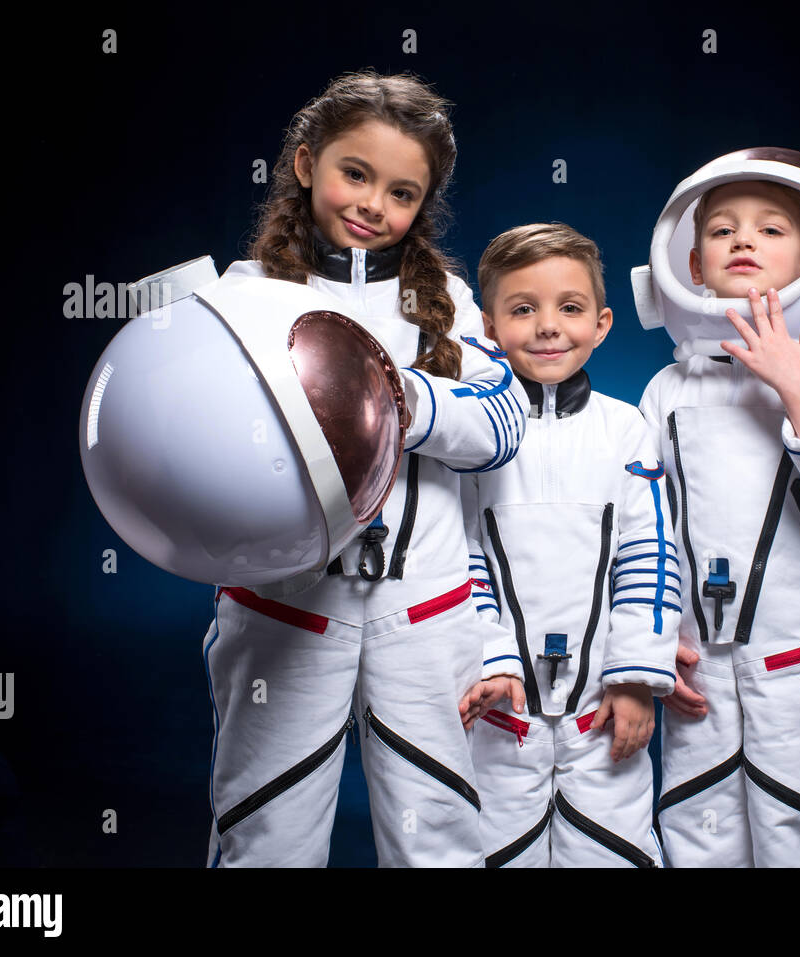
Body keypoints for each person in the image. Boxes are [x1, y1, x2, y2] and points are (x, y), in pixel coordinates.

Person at [201, 71, 529, 867]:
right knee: (263, 833)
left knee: (439, 835)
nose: (373, 203)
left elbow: (501, 423)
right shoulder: (243, 296)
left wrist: (390, 398)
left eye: (402, 191)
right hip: (284, 603)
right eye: (356, 173)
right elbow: (203, 443)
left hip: (424, 609)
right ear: (308, 163)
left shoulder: (446, 301)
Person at [641, 163, 800, 867]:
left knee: (796, 822)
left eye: (770, 228)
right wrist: (650, 638)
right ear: (692, 265)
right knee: (696, 824)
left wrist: (798, 389)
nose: (742, 239)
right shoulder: (668, 388)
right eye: (721, 230)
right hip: (695, 662)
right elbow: (642, 527)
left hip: (794, 661)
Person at [457, 223, 679, 867]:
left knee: (613, 853)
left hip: (603, 711)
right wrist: (492, 656)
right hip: (499, 706)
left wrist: (637, 677)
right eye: (523, 309)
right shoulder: (469, 438)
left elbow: (650, 555)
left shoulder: (626, 430)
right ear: (489, 326)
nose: (548, 326)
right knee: (489, 851)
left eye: (570, 308)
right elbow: (459, 558)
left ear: (603, 324)